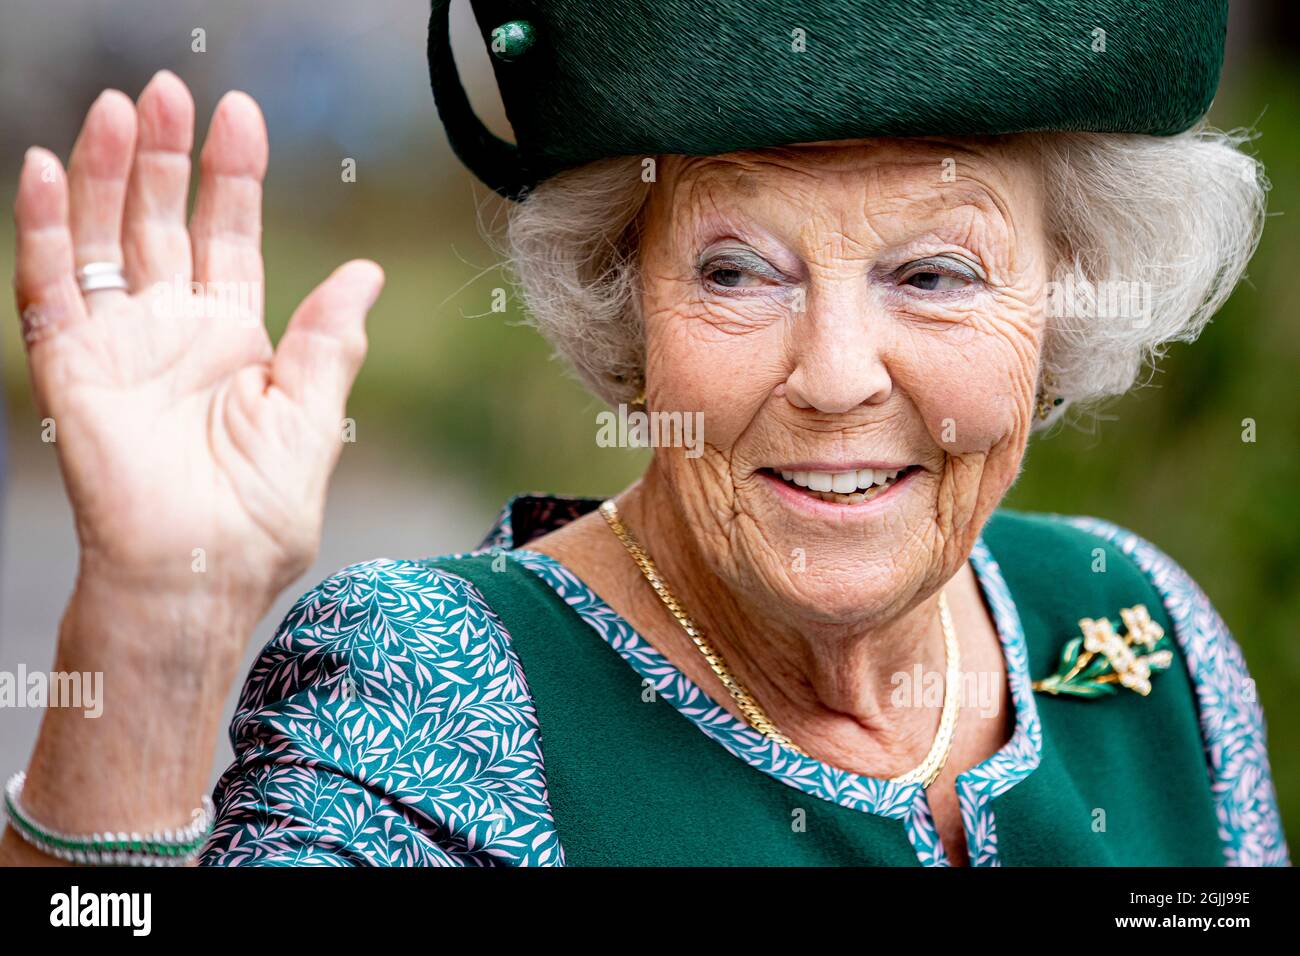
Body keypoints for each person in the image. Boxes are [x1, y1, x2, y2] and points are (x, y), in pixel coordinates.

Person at [2, 0, 1287, 866]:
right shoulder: (439, 679)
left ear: (1064, 302)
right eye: (737, 271)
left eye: (935, 274)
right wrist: (156, 630)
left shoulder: (1140, 634)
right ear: (625, 300)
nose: (835, 378)